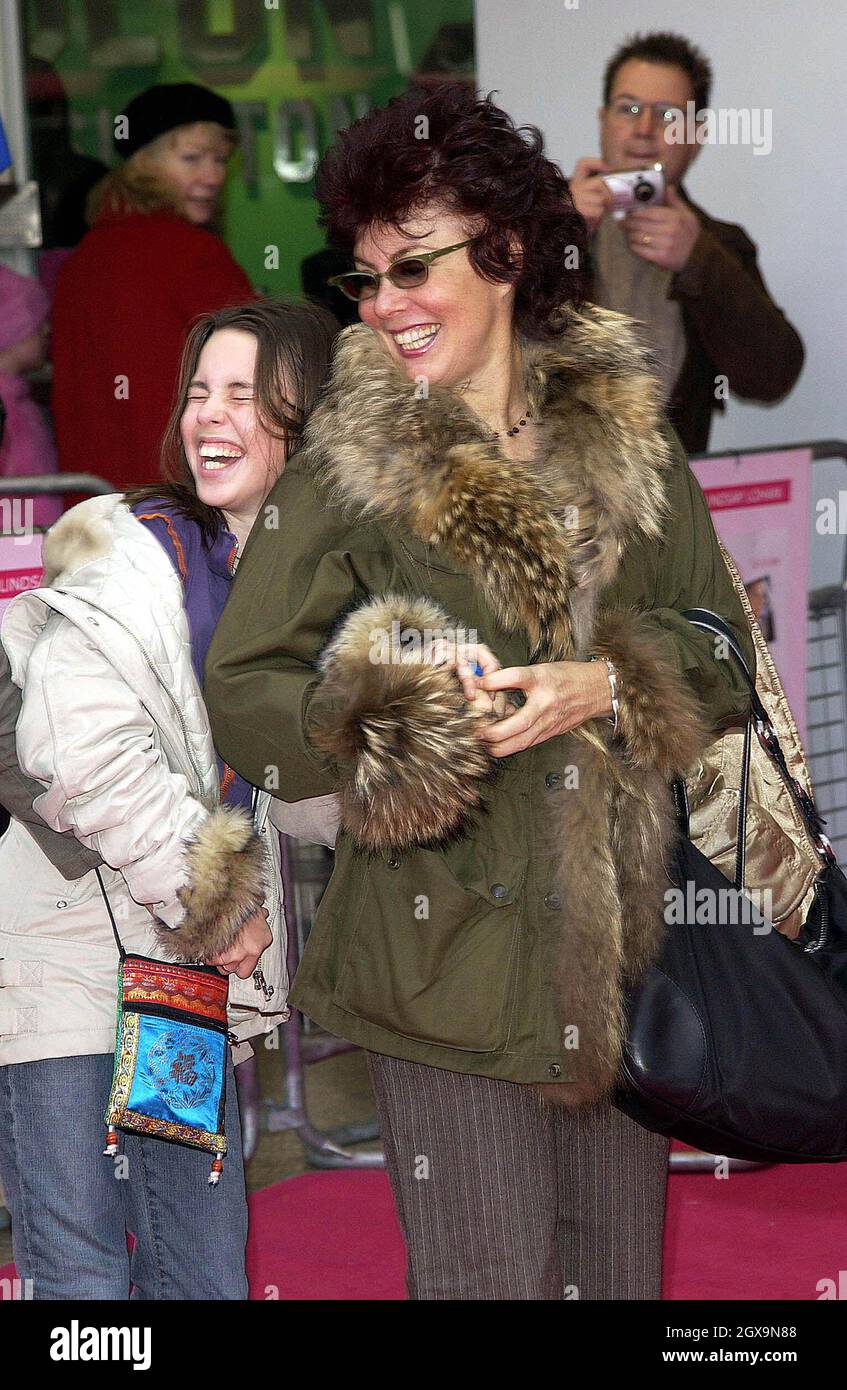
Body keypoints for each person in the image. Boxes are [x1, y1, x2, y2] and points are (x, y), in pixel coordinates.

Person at [204, 83, 754, 1301]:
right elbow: (244, 680)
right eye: (366, 277)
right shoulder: (356, 454)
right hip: (436, 959)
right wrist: (396, 723)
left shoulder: (624, 433)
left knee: (617, 1285)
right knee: (487, 1283)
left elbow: (722, 647)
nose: (385, 305)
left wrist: (606, 681)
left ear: (504, 251)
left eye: (413, 268)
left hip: (615, 957)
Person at [0, 299, 338, 1300]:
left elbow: (304, 795)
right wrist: (216, 895)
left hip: (176, 964)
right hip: (62, 945)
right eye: (200, 393)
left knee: (200, 1256)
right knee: (82, 1263)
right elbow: (74, 749)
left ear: (306, 420)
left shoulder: (294, 580)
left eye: (244, 394)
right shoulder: (129, 548)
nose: (210, 416)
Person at [568, 31, 804, 454]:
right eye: (629, 108)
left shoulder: (719, 246)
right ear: (604, 120)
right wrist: (553, 235)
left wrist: (699, 261)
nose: (644, 129)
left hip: (671, 509)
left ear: (696, 137)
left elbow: (773, 378)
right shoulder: (538, 225)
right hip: (545, 501)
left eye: (668, 116)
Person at [51, 83, 254, 493]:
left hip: (99, 501)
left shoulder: (85, 256)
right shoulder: (191, 251)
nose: (213, 175)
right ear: (142, 164)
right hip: (187, 498)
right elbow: (264, 360)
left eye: (220, 159)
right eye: (192, 158)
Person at [0, 266, 61, 529]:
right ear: (11, 328)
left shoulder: (18, 400)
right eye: (37, 324)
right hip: (19, 545)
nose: (46, 330)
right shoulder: (9, 408)